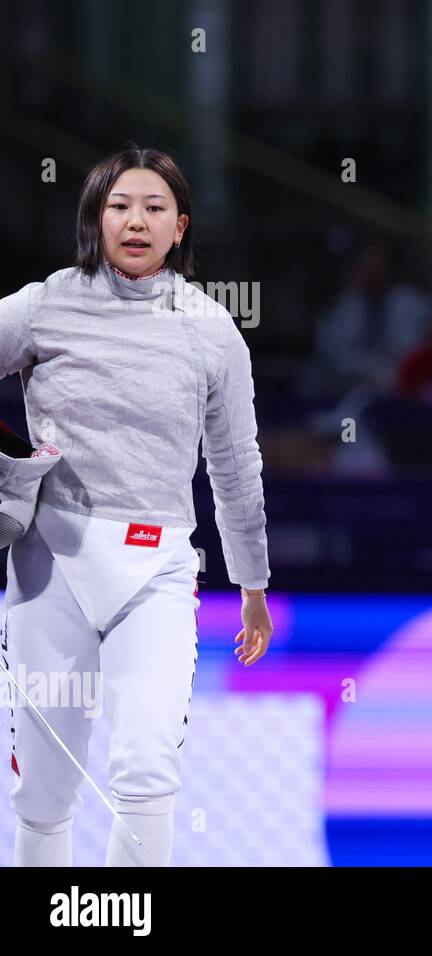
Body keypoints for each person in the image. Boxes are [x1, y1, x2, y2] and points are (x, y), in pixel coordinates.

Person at [0, 146, 273, 866]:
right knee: (45, 792)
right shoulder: (45, 303)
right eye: (120, 205)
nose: (136, 221)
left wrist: (253, 586)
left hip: (155, 575)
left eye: (154, 208)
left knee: (148, 768)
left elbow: (236, 467)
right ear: (96, 216)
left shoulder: (213, 329)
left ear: (179, 227)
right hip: (48, 568)